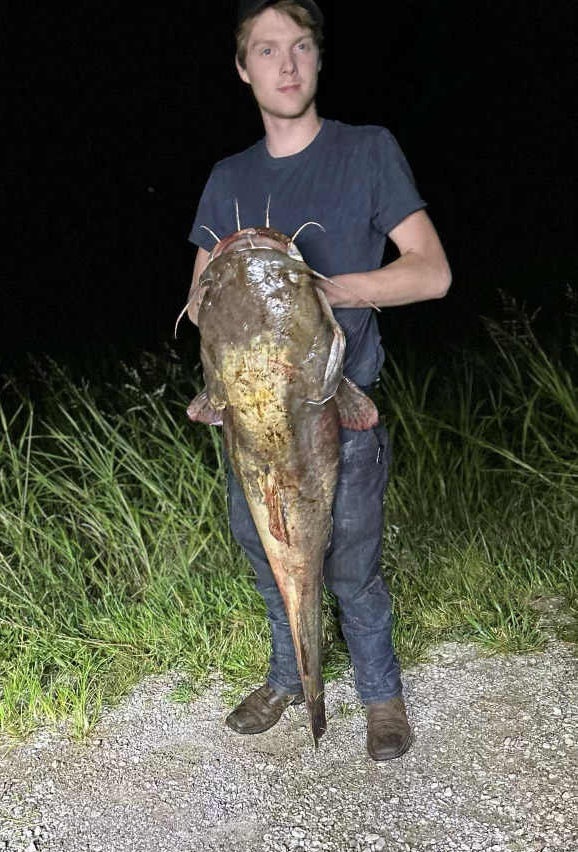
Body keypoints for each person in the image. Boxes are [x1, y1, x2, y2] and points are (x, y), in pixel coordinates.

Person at [187, 0, 451, 761]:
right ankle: (288, 675)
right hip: (248, 420)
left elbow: (430, 274)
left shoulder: (366, 151)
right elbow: (201, 300)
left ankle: (380, 695)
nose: (286, 65)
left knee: (350, 567)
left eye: (300, 47)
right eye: (266, 51)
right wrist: (234, 281)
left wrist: (320, 292)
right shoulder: (225, 178)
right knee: (263, 552)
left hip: (335, 410)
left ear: (318, 59)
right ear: (243, 68)